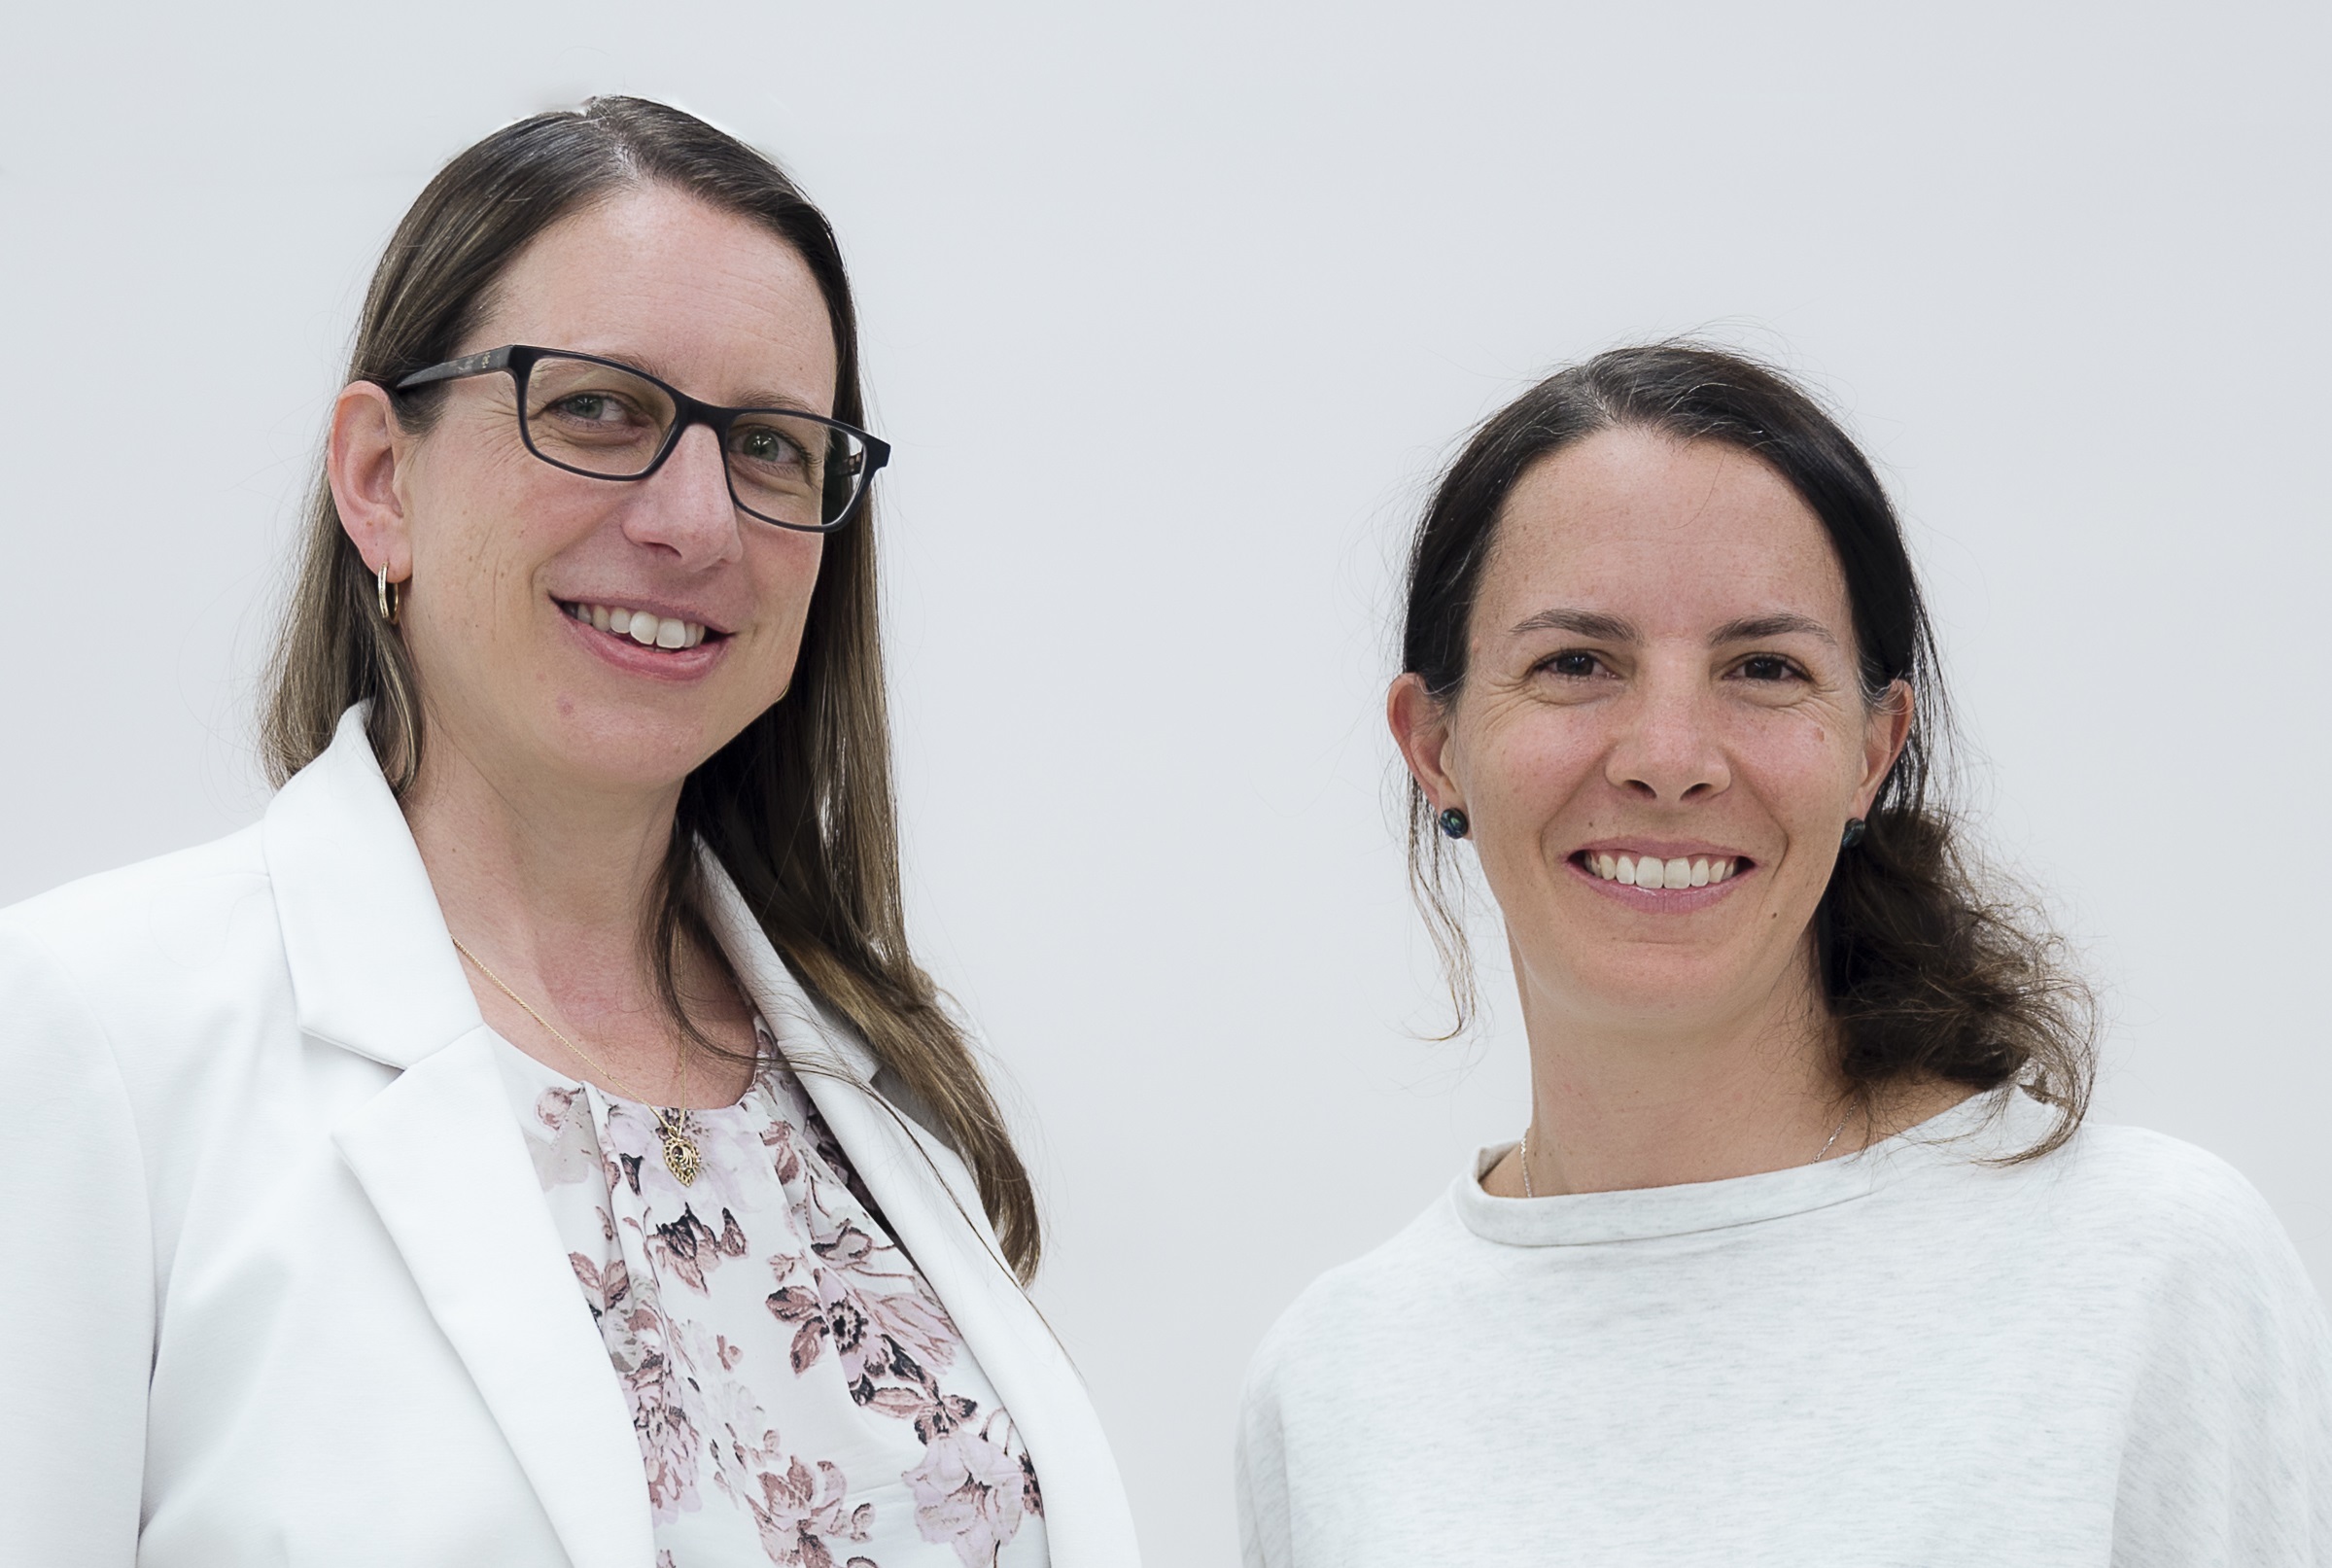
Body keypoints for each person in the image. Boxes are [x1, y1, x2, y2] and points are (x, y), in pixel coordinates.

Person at [0, 97, 1139, 1568]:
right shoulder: (87, 1034)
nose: (694, 521)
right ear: (379, 479)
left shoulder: (878, 1084)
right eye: (598, 407)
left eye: (774, 448)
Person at [1235, 344, 2332, 1565]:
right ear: (1432, 743)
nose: (1667, 752)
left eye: (1762, 668)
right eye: (1574, 663)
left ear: (1871, 748)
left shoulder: (2147, 1269)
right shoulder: (1333, 1375)